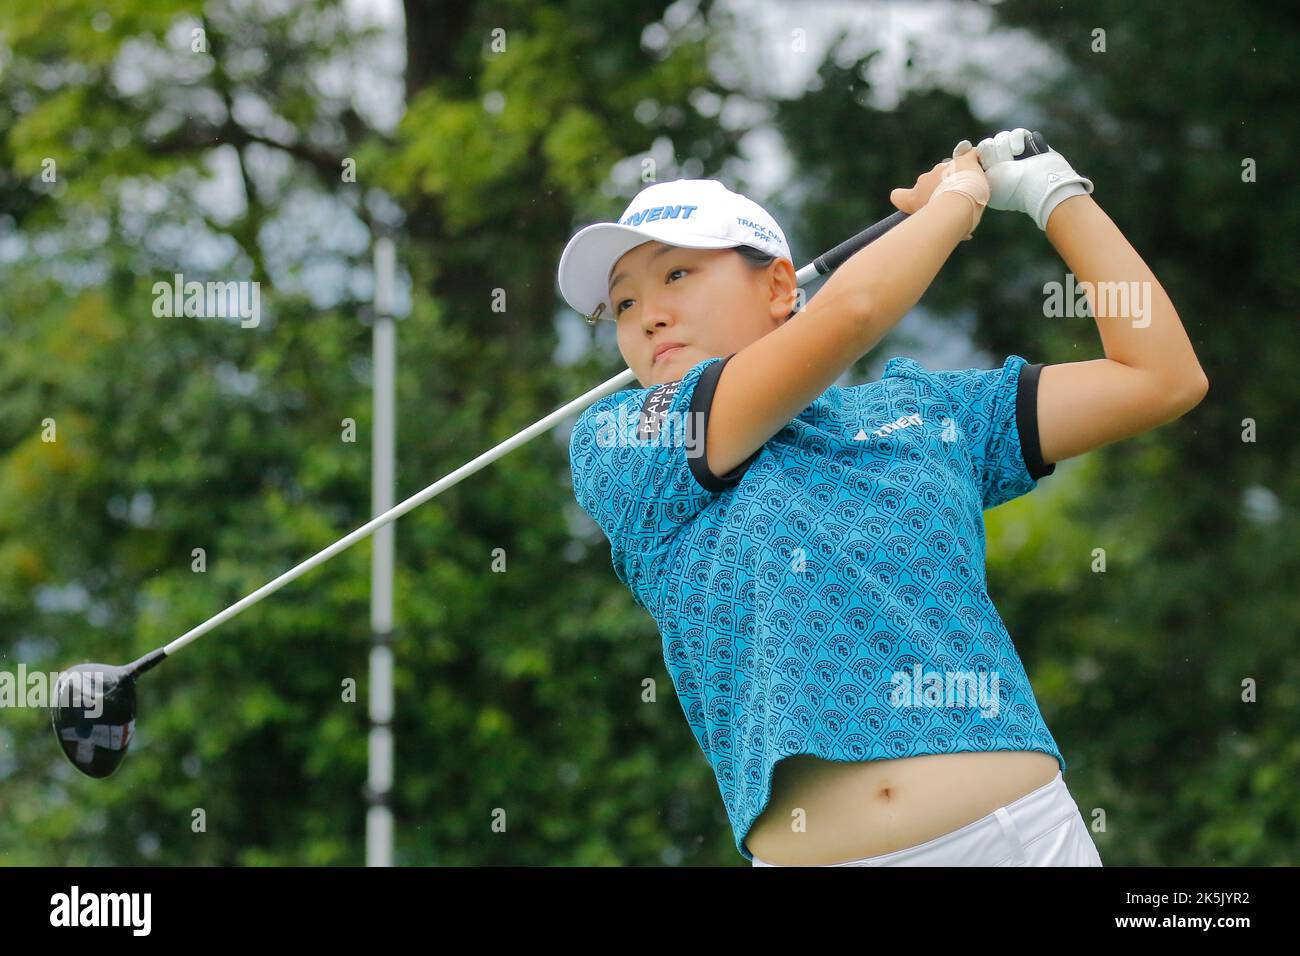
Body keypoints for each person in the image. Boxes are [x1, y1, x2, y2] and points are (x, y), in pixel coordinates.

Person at [557, 129, 1208, 866]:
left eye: (675, 276)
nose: (647, 316)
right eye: (622, 304)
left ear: (778, 287)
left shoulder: (928, 410)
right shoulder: (622, 444)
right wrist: (958, 204)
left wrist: (1050, 191)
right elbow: (852, 315)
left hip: (1021, 839)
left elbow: (1162, 378)